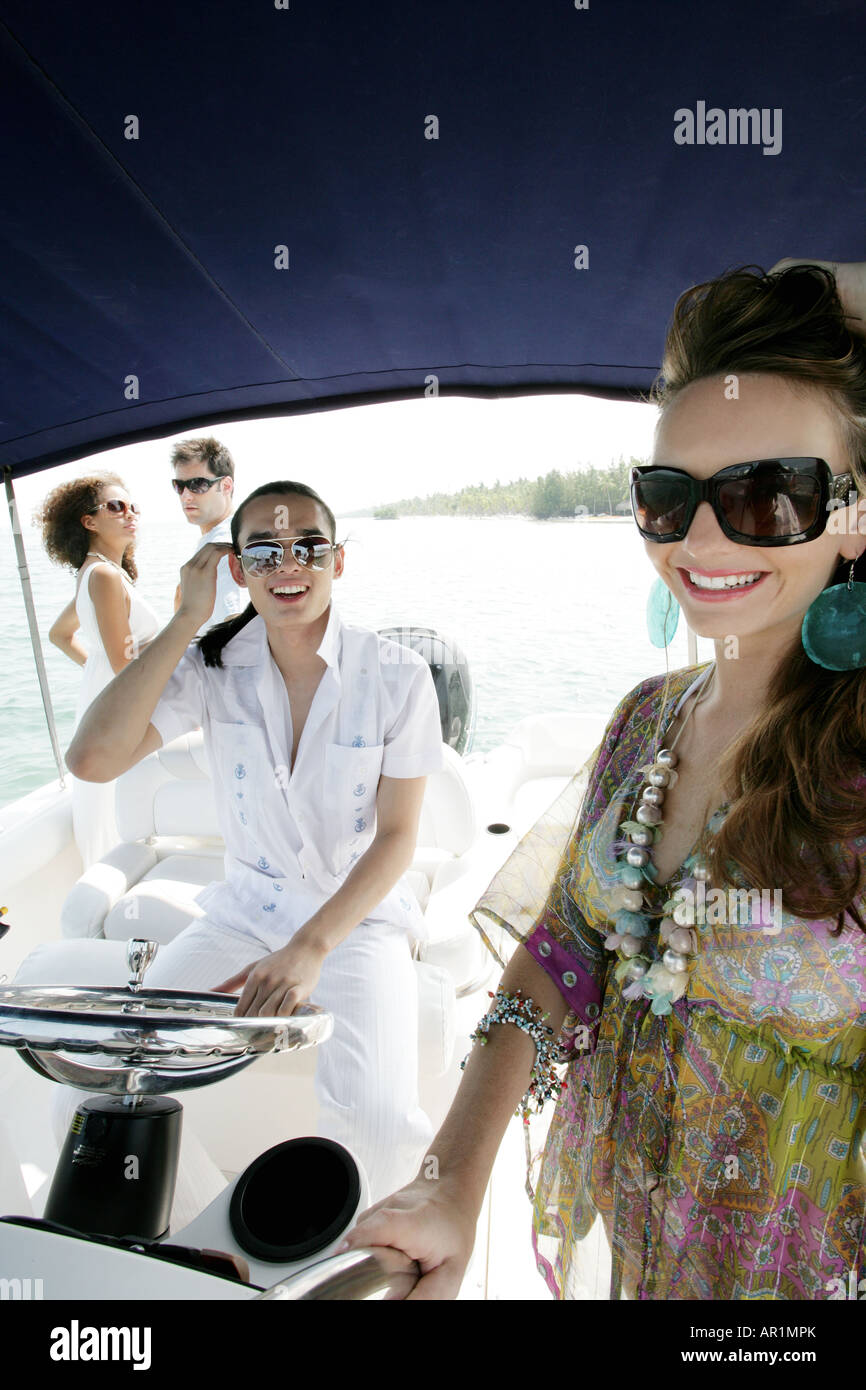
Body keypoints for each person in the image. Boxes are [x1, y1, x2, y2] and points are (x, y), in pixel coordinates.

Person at [341, 261, 866, 1299]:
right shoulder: (644, 722)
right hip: (635, 1256)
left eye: (768, 494)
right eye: (668, 497)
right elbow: (562, 952)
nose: (703, 538)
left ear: (850, 513)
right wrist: (447, 1179)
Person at [64, 480, 445, 1201]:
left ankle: (343, 1262)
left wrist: (310, 946)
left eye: (308, 547)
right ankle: (211, 1238)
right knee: (101, 1086)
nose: (288, 565)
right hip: (243, 912)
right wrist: (183, 621)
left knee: (382, 1127)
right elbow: (92, 760)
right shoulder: (210, 666)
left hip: (356, 922)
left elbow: (396, 840)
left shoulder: (397, 675)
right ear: (236, 570)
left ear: (338, 560)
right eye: (264, 552)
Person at [38, 474, 159, 868]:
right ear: (88, 521)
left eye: (133, 506)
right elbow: (126, 665)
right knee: (121, 813)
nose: (130, 514)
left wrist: (99, 669)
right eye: (116, 506)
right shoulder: (104, 576)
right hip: (122, 710)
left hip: (106, 698)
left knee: (115, 810)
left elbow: (61, 635)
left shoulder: (97, 572)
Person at [170, 435, 242, 632]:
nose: (186, 495)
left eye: (198, 484)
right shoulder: (222, 537)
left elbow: (235, 625)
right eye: (179, 486)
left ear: (226, 486)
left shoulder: (222, 546)